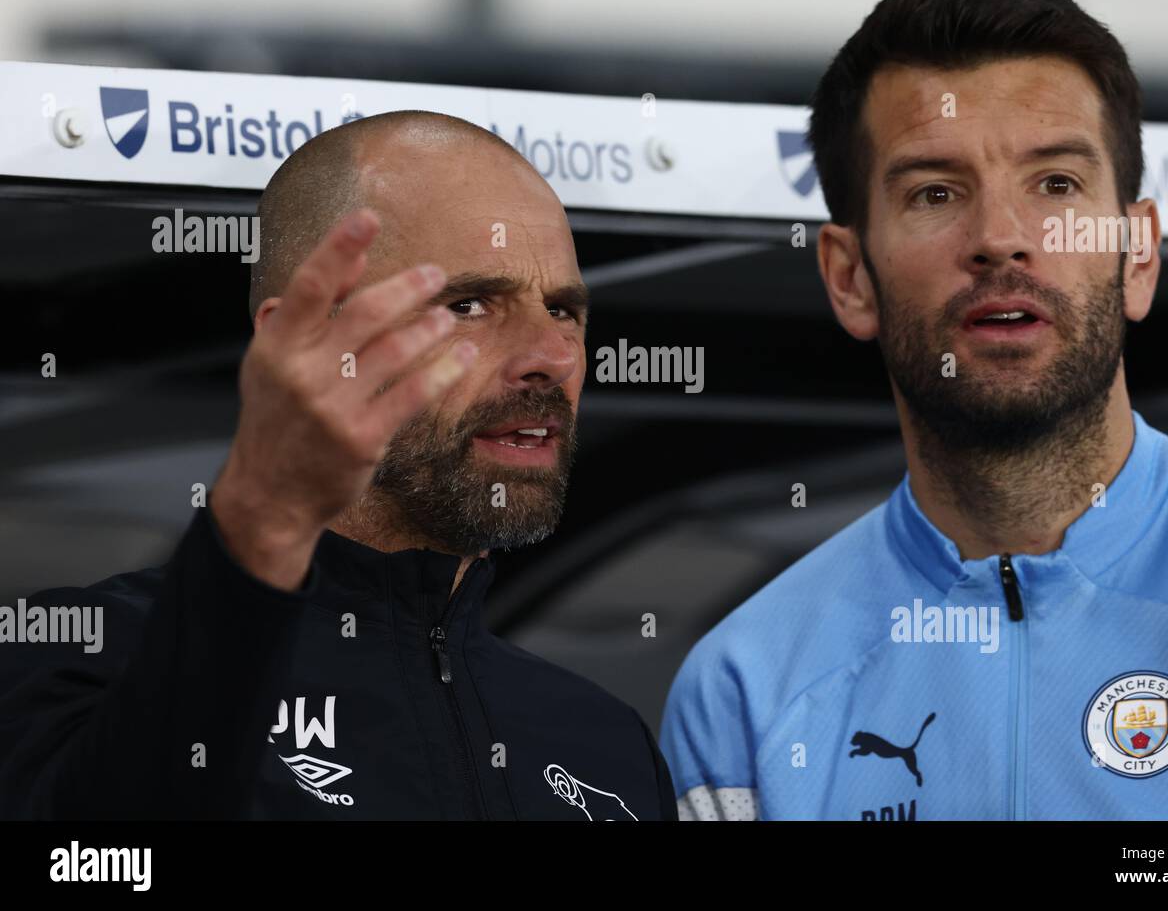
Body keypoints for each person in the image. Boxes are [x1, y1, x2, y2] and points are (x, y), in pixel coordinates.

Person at [659, 0, 1168, 820]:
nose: (1001, 238)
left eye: (1057, 185)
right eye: (935, 192)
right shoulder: (744, 692)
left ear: (1137, 253)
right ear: (849, 279)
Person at [0, 111, 676, 820]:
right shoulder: (84, 657)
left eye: (564, 310)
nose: (555, 356)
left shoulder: (605, 743)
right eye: (471, 304)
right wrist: (267, 521)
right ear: (297, 345)